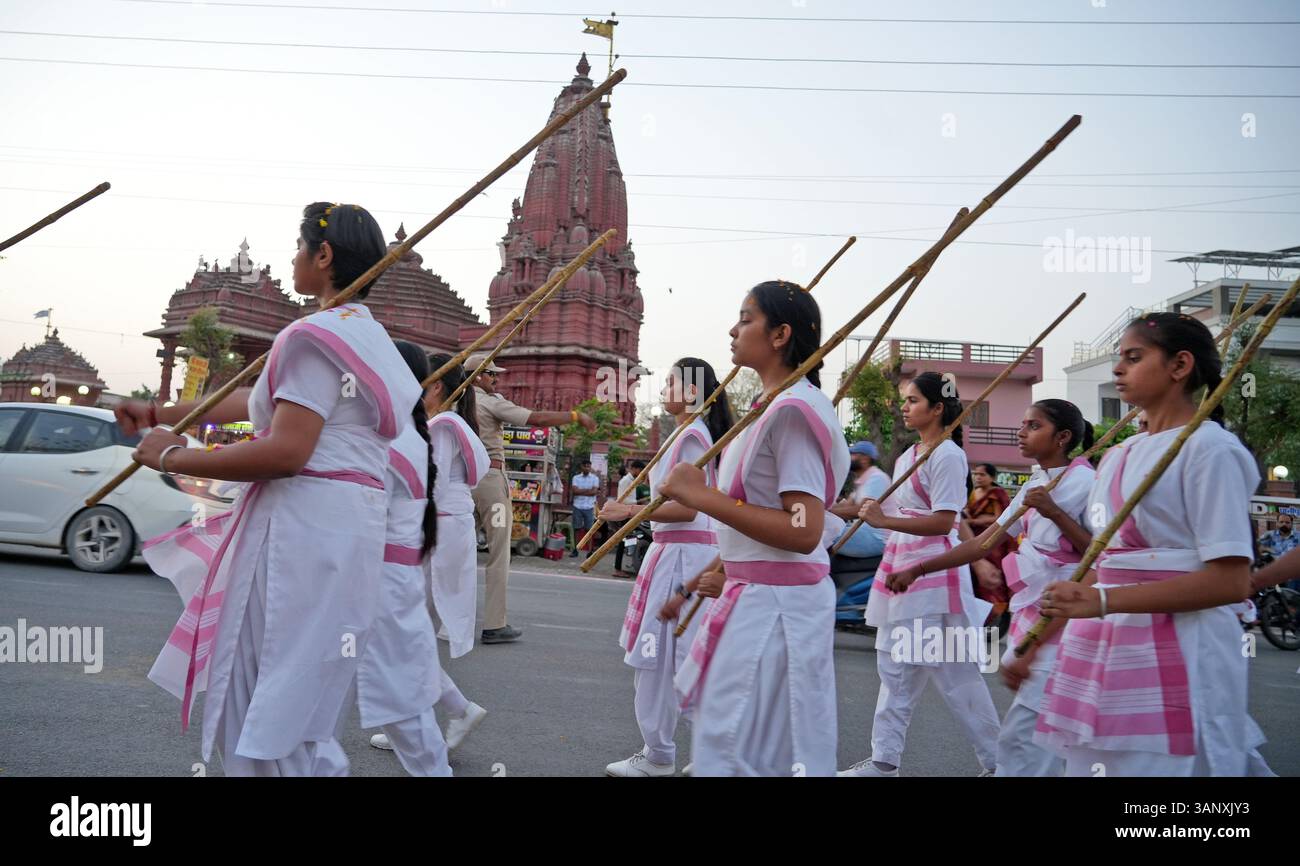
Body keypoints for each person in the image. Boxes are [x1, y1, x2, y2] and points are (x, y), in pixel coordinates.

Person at [122, 202, 420, 775]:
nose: (293, 259)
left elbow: (287, 450)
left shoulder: (315, 336)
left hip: (298, 529)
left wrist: (174, 456)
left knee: (257, 688)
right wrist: (165, 412)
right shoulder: (371, 340)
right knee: (304, 693)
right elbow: (260, 399)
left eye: (300, 247)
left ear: (324, 255)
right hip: (347, 531)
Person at [1036, 311, 1265, 776]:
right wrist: (1047, 634)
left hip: (1185, 648)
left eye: (1134, 358)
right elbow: (1113, 559)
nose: (1118, 369)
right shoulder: (1121, 452)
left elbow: (1230, 581)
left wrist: (1103, 600)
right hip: (1108, 645)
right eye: (1119, 358)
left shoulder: (1210, 450)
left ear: (1179, 366)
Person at [661, 280, 850, 776]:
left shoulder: (791, 412)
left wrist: (701, 495)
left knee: (744, 750)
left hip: (778, 609)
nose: (733, 328)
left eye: (746, 318)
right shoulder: (771, 405)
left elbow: (804, 529)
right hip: (757, 597)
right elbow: (758, 516)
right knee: (729, 745)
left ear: (781, 334)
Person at [882, 399, 1096, 776]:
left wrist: (1055, 513)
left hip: (1068, 617)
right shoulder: (1035, 481)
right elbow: (986, 541)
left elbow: (1102, 554)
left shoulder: (1086, 482)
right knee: (1032, 737)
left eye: (1033, 426)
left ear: (1062, 437)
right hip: (1032, 609)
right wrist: (919, 568)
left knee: (1030, 737)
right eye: (1023, 423)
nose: (1021, 431)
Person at [840, 371, 1000, 778]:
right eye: (905, 400)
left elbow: (943, 522)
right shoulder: (908, 457)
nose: (905, 407)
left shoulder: (948, 455)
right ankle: (885, 761)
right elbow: (904, 517)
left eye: (913, 400)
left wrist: (885, 519)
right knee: (899, 668)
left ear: (938, 409)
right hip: (901, 568)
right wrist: (872, 514)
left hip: (929, 575)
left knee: (949, 676)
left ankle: (1000, 763)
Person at [600, 359, 734, 777]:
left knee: (668, 660)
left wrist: (627, 510)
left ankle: (699, 753)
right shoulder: (684, 433)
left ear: (692, 392)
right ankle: (670, 753)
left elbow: (691, 509)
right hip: (671, 554)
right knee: (661, 659)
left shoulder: (692, 436)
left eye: (674, 381)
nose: (666, 387)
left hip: (683, 556)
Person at [369, 352, 490, 755]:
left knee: (400, 629)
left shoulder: (441, 425)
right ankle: (415, 718)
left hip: (436, 529)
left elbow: (428, 488)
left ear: (435, 385)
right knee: (405, 629)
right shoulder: (452, 423)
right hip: (446, 528)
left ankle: (453, 709)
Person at [355, 340, 451, 776]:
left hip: (381, 579)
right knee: (394, 686)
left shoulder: (392, 438)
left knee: (398, 692)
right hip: (386, 574)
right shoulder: (404, 433)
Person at [469, 354, 596, 643]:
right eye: (491, 374)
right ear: (478, 376)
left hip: (460, 483)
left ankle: (447, 621)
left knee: (455, 552)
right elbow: (535, 418)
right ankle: (493, 624)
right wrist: (575, 416)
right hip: (490, 481)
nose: (496, 379)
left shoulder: (454, 402)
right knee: (499, 553)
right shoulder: (490, 402)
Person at [964, 462, 1015, 621]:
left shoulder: (998, 494)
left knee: (992, 579)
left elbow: (1001, 519)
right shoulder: (973, 494)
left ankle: (995, 613)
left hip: (993, 544)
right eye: (976, 474)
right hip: (971, 540)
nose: (978, 478)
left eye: (982, 475)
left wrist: (975, 522)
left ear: (992, 477)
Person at [828, 441, 891, 558]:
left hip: (877, 537)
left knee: (821, 534)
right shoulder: (862, 481)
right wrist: (824, 507)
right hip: (864, 532)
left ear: (864, 459)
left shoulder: (876, 478)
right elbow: (846, 506)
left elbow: (860, 511)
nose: (849, 458)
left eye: (853, 454)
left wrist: (826, 511)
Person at [612, 459, 648, 578]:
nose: (642, 473)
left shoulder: (632, 481)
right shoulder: (625, 481)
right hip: (625, 513)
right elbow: (623, 499)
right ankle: (617, 569)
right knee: (623, 542)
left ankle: (627, 565)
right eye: (641, 470)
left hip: (630, 513)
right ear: (635, 469)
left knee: (629, 540)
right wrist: (640, 502)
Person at [570, 459, 602, 558]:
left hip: (589, 506)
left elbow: (594, 492)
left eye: (589, 466)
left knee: (590, 529)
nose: (587, 468)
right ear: (581, 467)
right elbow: (574, 491)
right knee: (576, 528)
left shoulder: (595, 478)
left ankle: (590, 551)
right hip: (577, 506)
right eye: (585, 466)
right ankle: (575, 549)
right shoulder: (576, 478)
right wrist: (588, 491)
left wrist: (581, 491)